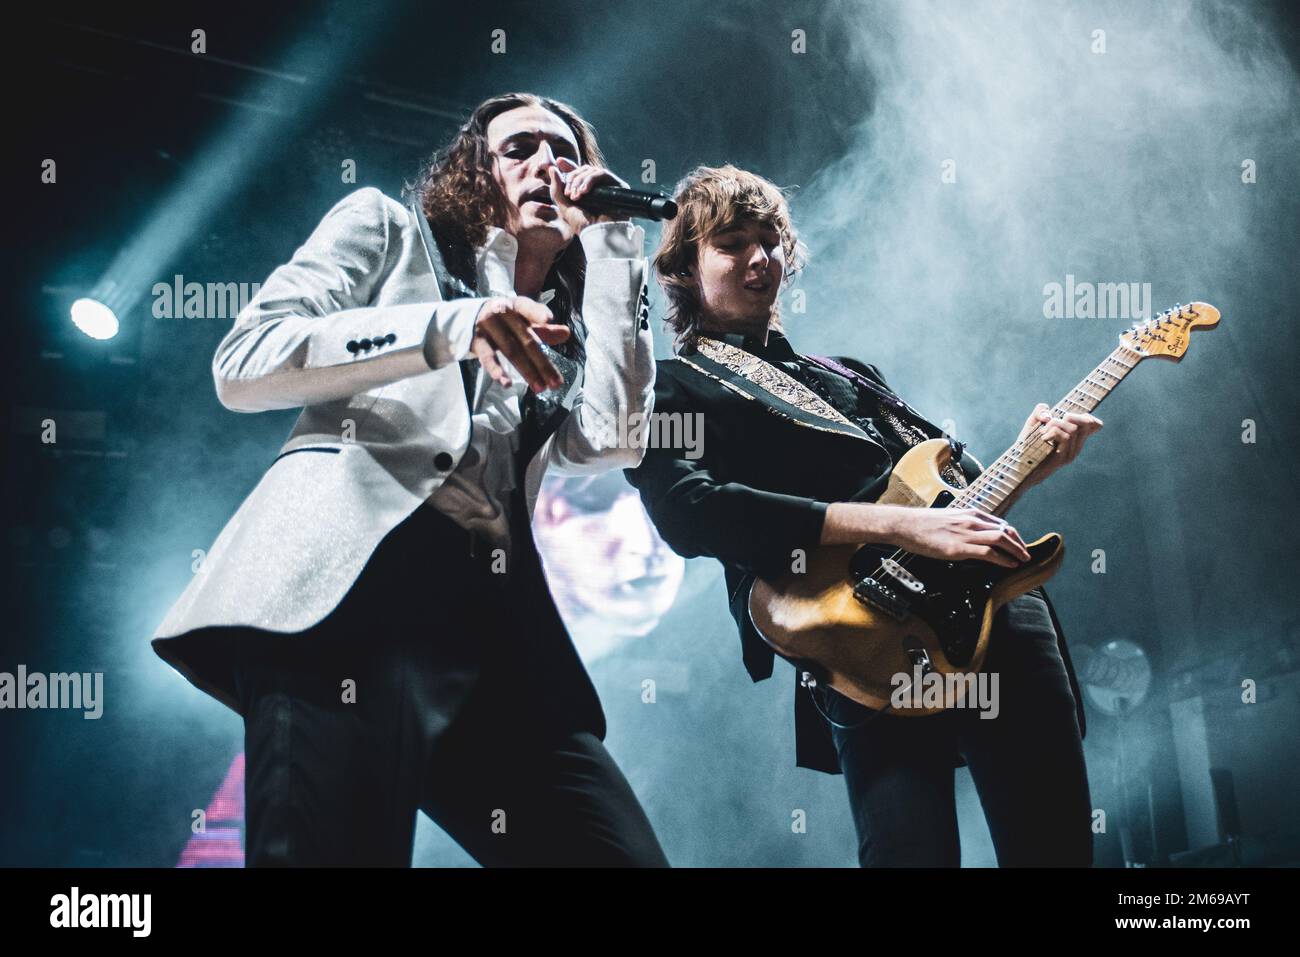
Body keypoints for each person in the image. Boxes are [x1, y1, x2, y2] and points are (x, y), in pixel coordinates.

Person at [152, 92, 667, 867]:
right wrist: (450, 328)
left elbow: (620, 438)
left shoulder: (563, 325)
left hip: (494, 638)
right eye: (520, 148)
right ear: (475, 172)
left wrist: (619, 250)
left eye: (565, 154)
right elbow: (245, 360)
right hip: (347, 604)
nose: (548, 167)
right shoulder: (388, 230)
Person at [626, 164, 1099, 867]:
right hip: (859, 641)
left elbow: (949, 499)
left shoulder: (849, 372)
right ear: (684, 270)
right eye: (731, 243)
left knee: (1053, 845)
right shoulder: (671, 386)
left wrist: (1036, 462)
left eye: (771, 239)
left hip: (992, 607)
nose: (760, 258)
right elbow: (688, 511)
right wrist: (894, 527)